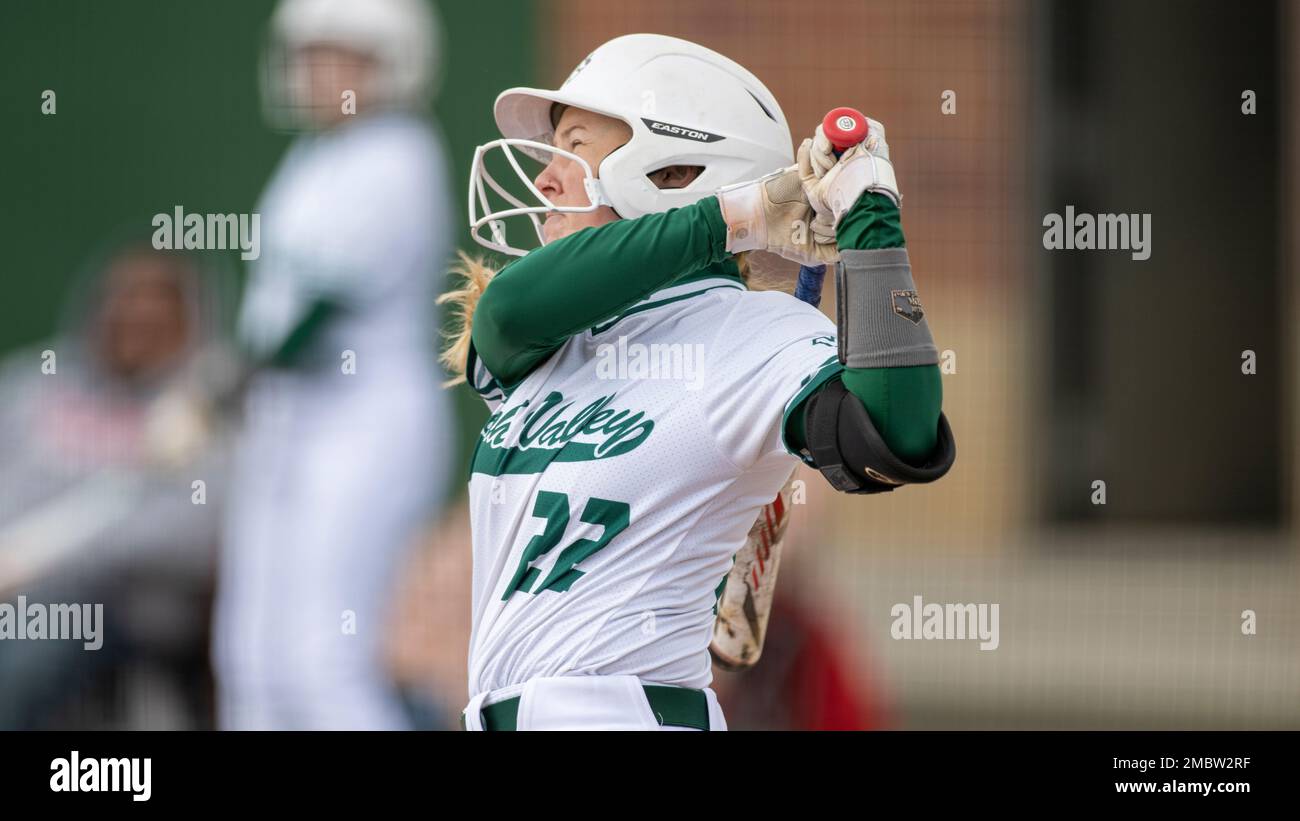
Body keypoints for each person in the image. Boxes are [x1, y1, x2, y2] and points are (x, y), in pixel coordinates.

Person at [442, 33, 955, 730]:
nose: (544, 179)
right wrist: (735, 217)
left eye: (577, 143)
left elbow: (895, 432)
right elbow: (506, 309)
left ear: (676, 171)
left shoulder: (753, 332)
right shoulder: (541, 334)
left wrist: (871, 219)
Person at [211, 0, 454, 729]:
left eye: (341, 55)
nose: (320, 72)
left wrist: (214, 387)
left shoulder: (400, 153)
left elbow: (312, 314)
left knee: (324, 659)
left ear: (391, 63)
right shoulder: (313, 155)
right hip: (289, 419)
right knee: (250, 659)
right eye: (311, 54)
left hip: (366, 418)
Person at [0, 243, 227, 729]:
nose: (134, 316)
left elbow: (192, 533)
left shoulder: (212, 405)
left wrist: (32, 559)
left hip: (123, 610)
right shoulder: (33, 384)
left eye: (157, 303)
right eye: (123, 299)